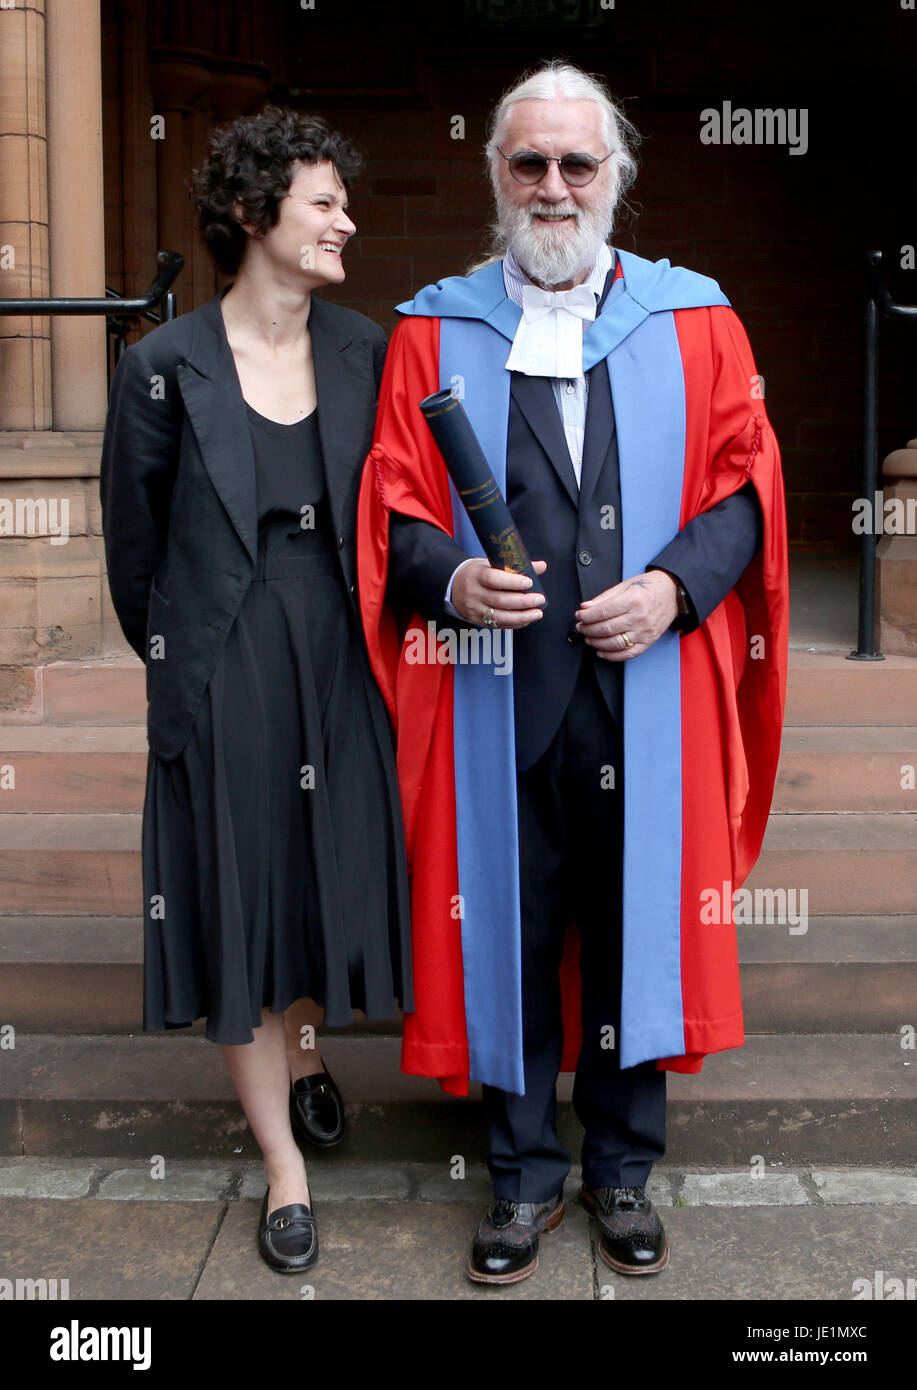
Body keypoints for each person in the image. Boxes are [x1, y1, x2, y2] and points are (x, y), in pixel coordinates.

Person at [357, 62, 788, 1285]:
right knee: (506, 916)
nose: (552, 187)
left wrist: (670, 589)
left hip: (639, 692)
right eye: (528, 164)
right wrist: (449, 583)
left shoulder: (695, 319)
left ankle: (619, 1168)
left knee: (632, 923)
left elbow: (743, 488)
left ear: (616, 180)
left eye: (576, 165)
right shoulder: (434, 325)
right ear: (495, 175)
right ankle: (517, 1177)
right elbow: (391, 499)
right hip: (497, 695)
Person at [100, 105, 412, 1274]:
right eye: (323, 202)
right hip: (223, 662)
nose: (345, 221)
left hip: (338, 654)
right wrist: (194, 664)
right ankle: (282, 1163)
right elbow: (134, 561)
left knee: (311, 879)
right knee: (237, 891)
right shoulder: (159, 367)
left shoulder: (366, 350)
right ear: (252, 214)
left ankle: (306, 1049)